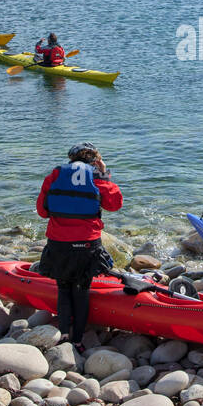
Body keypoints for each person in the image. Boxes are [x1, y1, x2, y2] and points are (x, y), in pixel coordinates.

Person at [36, 143, 122, 349]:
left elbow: (42, 211)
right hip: (87, 245)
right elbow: (114, 204)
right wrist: (105, 175)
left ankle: (64, 334)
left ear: (71, 159)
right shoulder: (96, 176)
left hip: (59, 244)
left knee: (63, 288)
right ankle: (78, 340)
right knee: (82, 290)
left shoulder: (55, 175)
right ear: (95, 161)